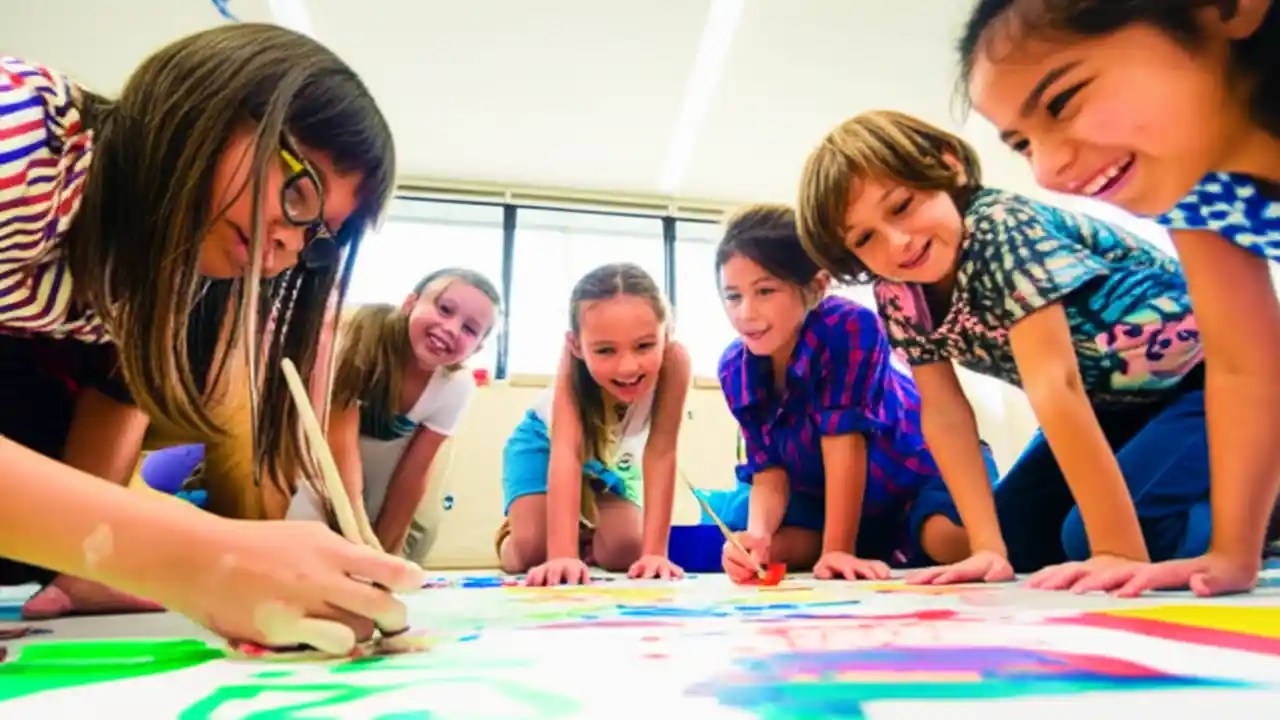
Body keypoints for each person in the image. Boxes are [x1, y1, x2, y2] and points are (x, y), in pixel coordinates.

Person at [0, 24, 422, 653]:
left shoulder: (149, 282)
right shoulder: (25, 136)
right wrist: (201, 557)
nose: (291, 241)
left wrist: (96, 562)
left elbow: (89, 480)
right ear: (213, 105)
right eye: (299, 190)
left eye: (320, 238)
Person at [795, 110, 1212, 589]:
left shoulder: (998, 228)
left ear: (948, 167)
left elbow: (1056, 384)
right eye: (865, 238)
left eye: (902, 206)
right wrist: (988, 547)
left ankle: (1260, 506)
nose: (897, 243)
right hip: (1117, 406)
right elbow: (946, 412)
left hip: (1214, 377)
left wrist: (1114, 550)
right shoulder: (897, 291)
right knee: (1019, 542)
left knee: (1104, 540)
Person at [958, 0, 1280, 596]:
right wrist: (1232, 553)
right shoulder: (1199, 189)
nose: (1050, 171)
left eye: (1062, 101)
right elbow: (1244, 365)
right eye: (1024, 144)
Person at [710, 204, 984, 583]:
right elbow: (768, 470)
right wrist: (757, 537)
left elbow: (844, 442)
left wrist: (836, 550)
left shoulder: (848, 327)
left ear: (817, 287)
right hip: (827, 499)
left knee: (944, 541)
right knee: (764, 545)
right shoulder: (733, 368)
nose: (746, 313)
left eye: (766, 291)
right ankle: (860, 544)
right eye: (732, 296)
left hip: (918, 474)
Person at [497, 263, 690, 586]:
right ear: (576, 345)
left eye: (644, 346)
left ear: (666, 333)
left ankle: (581, 530)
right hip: (543, 445)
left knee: (625, 550)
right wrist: (561, 555)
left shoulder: (676, 364)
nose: (628, 367)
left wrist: (655, 553)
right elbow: (566, 454)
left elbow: (661, 453)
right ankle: (518, 530)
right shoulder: (570, 367)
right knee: (532, 551)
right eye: (604, 350)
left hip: (603, 460)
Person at [287, 269, 500, 557]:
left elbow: (415, 472)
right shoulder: (363, 334)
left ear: (477, 349)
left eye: (469, 330)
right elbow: (339, 443)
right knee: (315, 522)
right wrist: (356, 529)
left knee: (418, 531)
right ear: (410, 303)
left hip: (385, 460)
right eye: (444, 309)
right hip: (323, 442)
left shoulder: (457, 385)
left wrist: (385, 553)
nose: (451, 328)